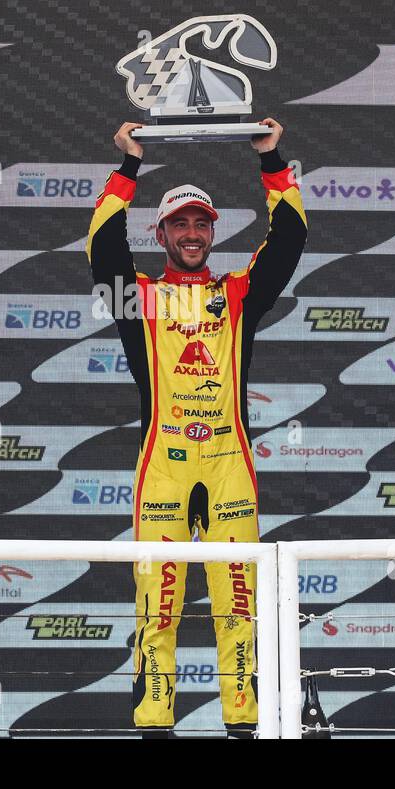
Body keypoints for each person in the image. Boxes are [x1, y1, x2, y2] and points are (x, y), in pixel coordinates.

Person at [87, 119, 307, 736]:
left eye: (201, 223)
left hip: (229, 463)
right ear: (161, 233)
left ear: (214, 232)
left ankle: (244, 725)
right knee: (157, 606)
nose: (191, 233)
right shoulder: (140, 298)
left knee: (240, 605)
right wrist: (128, 168)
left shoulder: (238, 295)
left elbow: (288, 240)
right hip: (163, 466)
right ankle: (154, 724)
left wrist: (272, 160)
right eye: (180, 223)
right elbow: (103, 248)